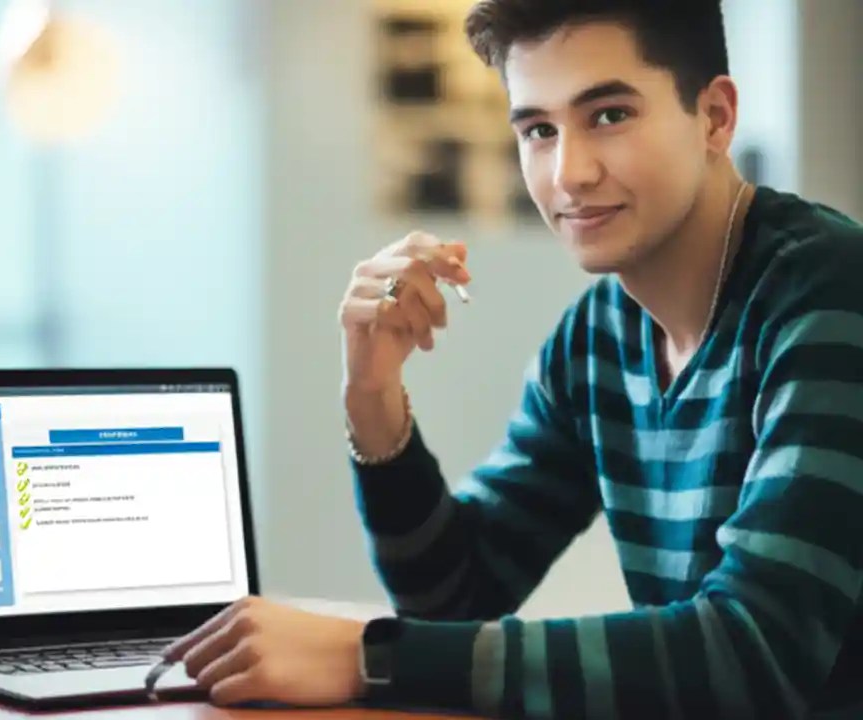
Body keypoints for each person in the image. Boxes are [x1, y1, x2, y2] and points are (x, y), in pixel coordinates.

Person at [157, 0, 863, 717]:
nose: (569, 173)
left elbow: (753, 654)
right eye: (538, 130)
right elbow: (456, 594)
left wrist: (364, 655)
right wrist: (373, 398)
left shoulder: (830, 292)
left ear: (714, 116)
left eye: (610, 115)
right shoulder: (596, 339)